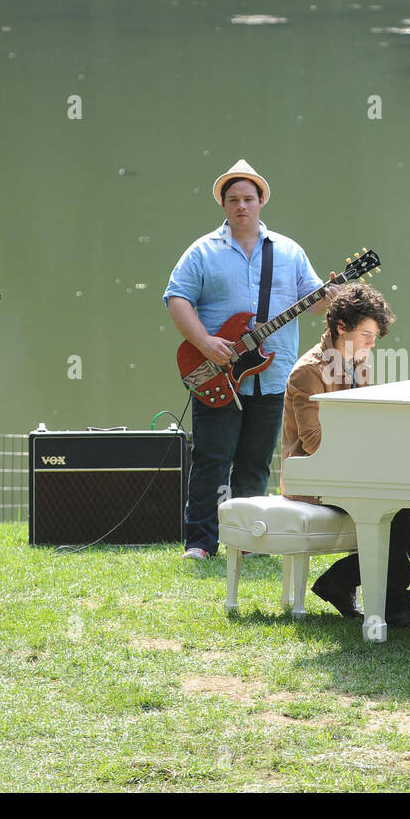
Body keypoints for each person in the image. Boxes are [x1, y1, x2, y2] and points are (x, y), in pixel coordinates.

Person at [164, 159, 332, 560]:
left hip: (272, 375)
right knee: (211, 459)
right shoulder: (202, 252)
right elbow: (176, 298)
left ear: (261, 203)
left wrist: (331, 292)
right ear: (223, 205)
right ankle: (201, 543)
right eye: (234, 199)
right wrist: (204, 343)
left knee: (255, 463)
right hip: (215, 370)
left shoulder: (289, 252)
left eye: (249, 199)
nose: (242, 206)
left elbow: (314, 304)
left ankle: (248, 542)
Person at [282, 283, 410, 629]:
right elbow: (314, 442)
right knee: (394, 510)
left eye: (375, 335)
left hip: (349, 472)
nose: (372, 343)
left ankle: (338, 581)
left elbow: (362, 426)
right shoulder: (309, 371)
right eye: (366, 334)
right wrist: (368, 463)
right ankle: (395, 607)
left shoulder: (356, 363)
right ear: (341, 327)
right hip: (312, 478)